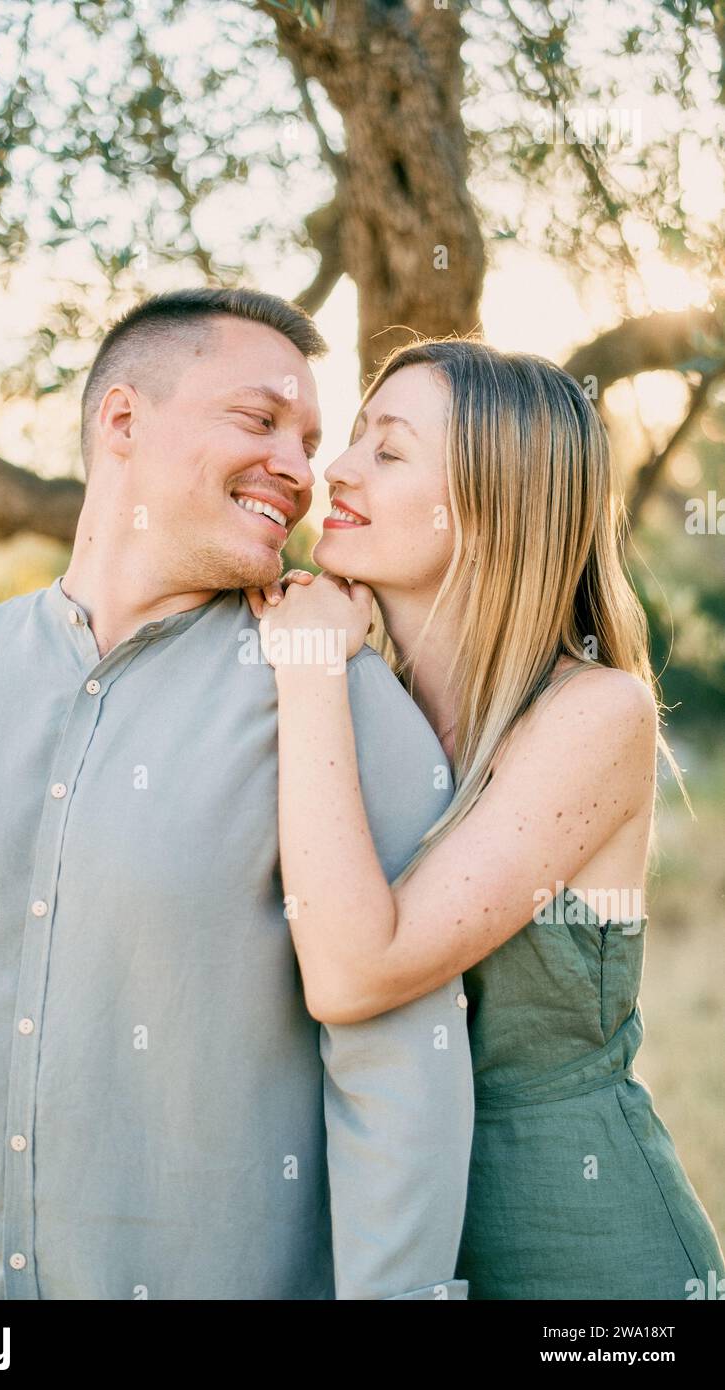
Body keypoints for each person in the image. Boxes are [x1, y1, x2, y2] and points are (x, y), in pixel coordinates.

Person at [0, 289, 473, 1301]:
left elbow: (396, 1067)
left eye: (310, 439)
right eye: (259, 418)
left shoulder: (339, 698)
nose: (300, 466)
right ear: (123, 421)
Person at [246, 336, 725, 1300]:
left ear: (494, 499)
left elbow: (355, 973)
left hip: (580, 1250)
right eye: (353, 439)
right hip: (384, 1232)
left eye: (388, 450)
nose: (334, 467)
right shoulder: (367, 701)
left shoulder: (597, 713)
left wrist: (305, 673)